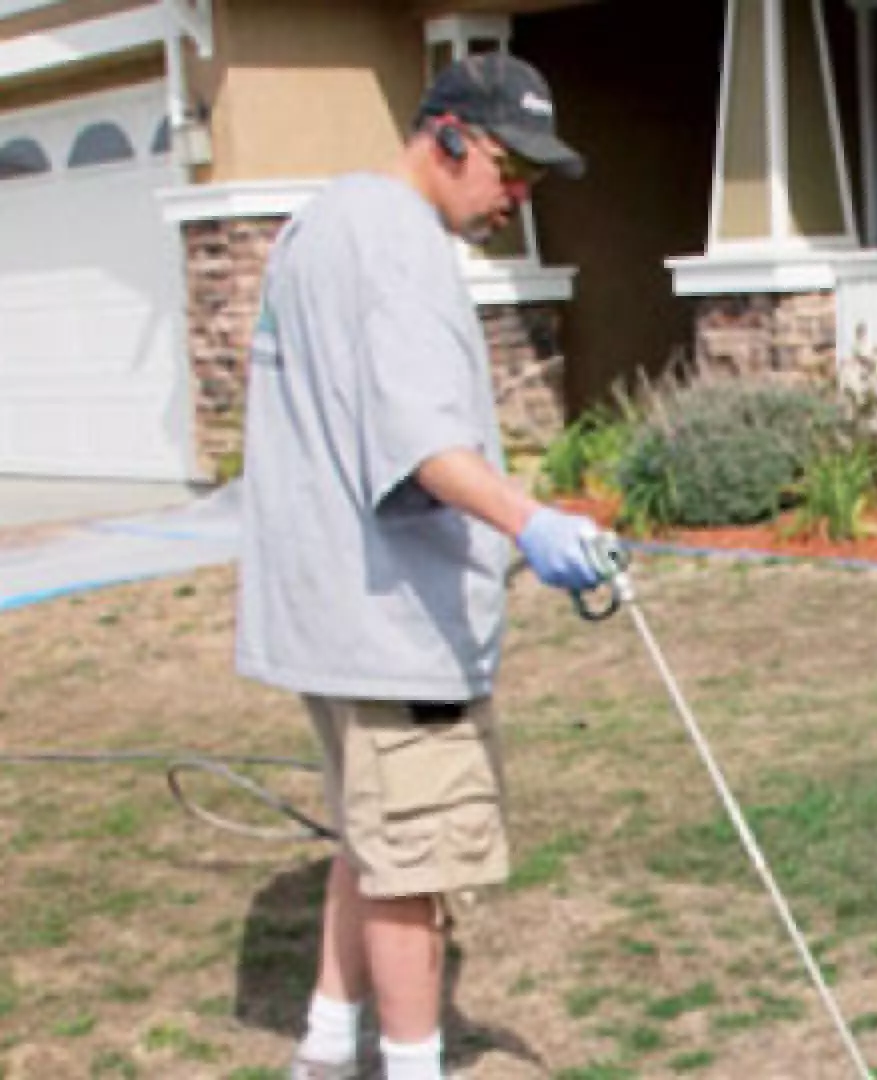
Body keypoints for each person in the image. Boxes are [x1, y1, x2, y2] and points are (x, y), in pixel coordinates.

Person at [234, 53, 606, 1080]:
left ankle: (321, 1048)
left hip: (328, 612)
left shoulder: (322, 224)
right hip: (392, 631)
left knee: (375, 838)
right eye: (506, 166)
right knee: (418, 869)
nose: (517, 197)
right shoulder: (397, 247)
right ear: (444, 135)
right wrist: (535, 524)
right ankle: (409, 1066)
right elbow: (424, 447)